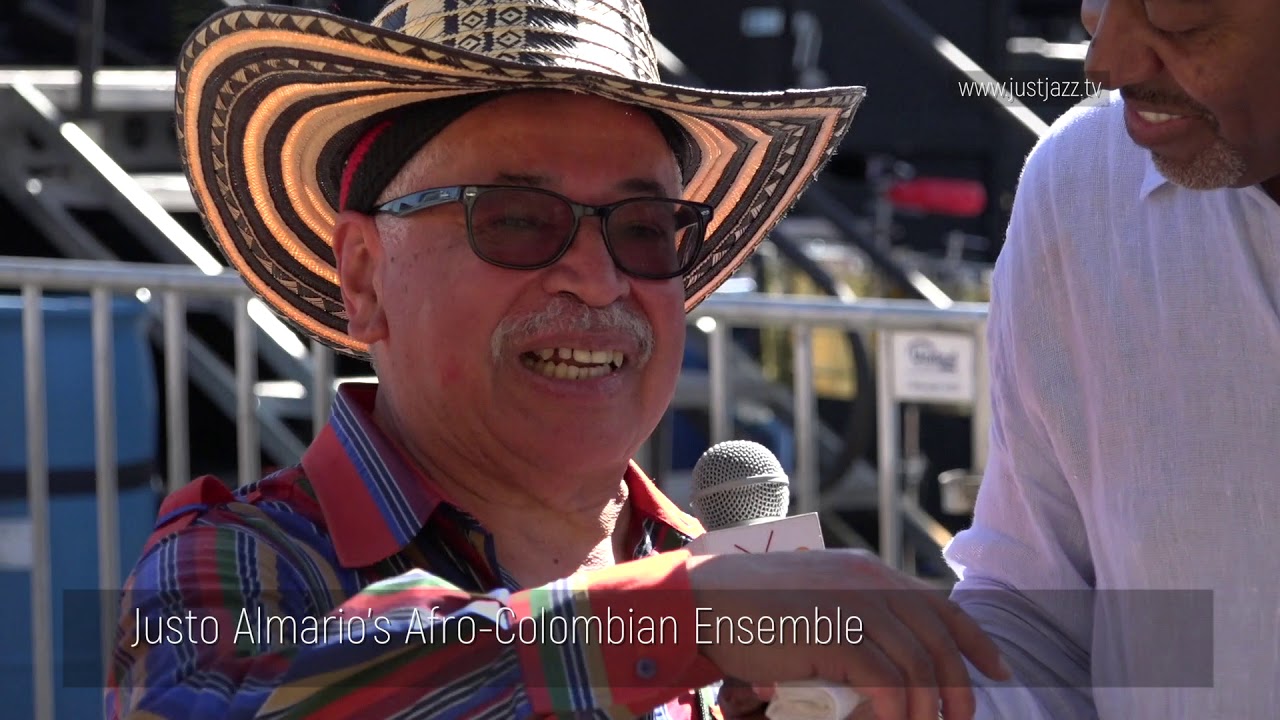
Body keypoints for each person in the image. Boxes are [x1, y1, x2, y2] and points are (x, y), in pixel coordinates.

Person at [105, 2, 1012, 719]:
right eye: (514, 219)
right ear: (365, 274)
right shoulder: (231, 567)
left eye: (646, 228)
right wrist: (685, 612)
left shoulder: (718, 595)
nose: (598, 278)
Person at [943, 0, 1280, 718]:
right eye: (1097, 3)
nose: (1106, 63)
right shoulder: (1084, 187)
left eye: (1178, 17)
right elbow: (1049, 624)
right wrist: (905, 698)